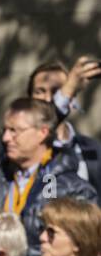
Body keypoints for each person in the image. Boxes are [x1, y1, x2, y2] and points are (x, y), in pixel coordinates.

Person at [0, 98, 96, 256]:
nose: (6, 138)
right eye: (5, 130)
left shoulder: (71, 188)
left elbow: (86, 244)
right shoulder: (0, 179)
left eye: (14, 131)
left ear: (43, 132)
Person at [28, 57, 101, 190]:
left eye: (57, 92)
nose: (48, 99)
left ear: (71, 98)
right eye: (40, 91)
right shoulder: (21, 145)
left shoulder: (94, 149)